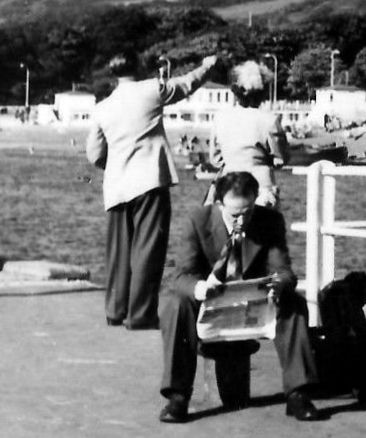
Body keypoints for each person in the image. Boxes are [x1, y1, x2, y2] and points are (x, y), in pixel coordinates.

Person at [157, 172, 323, 423]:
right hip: (208, 298)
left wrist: (278, 284)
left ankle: (298, 393)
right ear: (219, 204)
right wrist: (200, 288)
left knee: (294, 303)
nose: (242, 221)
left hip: (253, 299)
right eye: (235, 215)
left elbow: (284, 270)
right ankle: (177, 397)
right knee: (175, 304)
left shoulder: (270, 220)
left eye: (248, 211)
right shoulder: (197, 220)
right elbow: (180, 276)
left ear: (255, 200)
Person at [86, 53, 217, 330]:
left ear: (113, 74)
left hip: (117, 185)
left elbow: (94, 153)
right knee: (148, 249)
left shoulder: (103, 107)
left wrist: (113, 164)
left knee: (118, 251)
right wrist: (207, 67)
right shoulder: (152, 90)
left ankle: (115, 310)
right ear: (138, 67)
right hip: (149, 179)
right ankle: (141, 313)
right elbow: (187, 84)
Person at [209, 61, 289, 207]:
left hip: (228, 185)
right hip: (261, 188)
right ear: (263, 92)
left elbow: (215, 159)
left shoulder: (220, 118)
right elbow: (281, 159)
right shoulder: (270, 120)